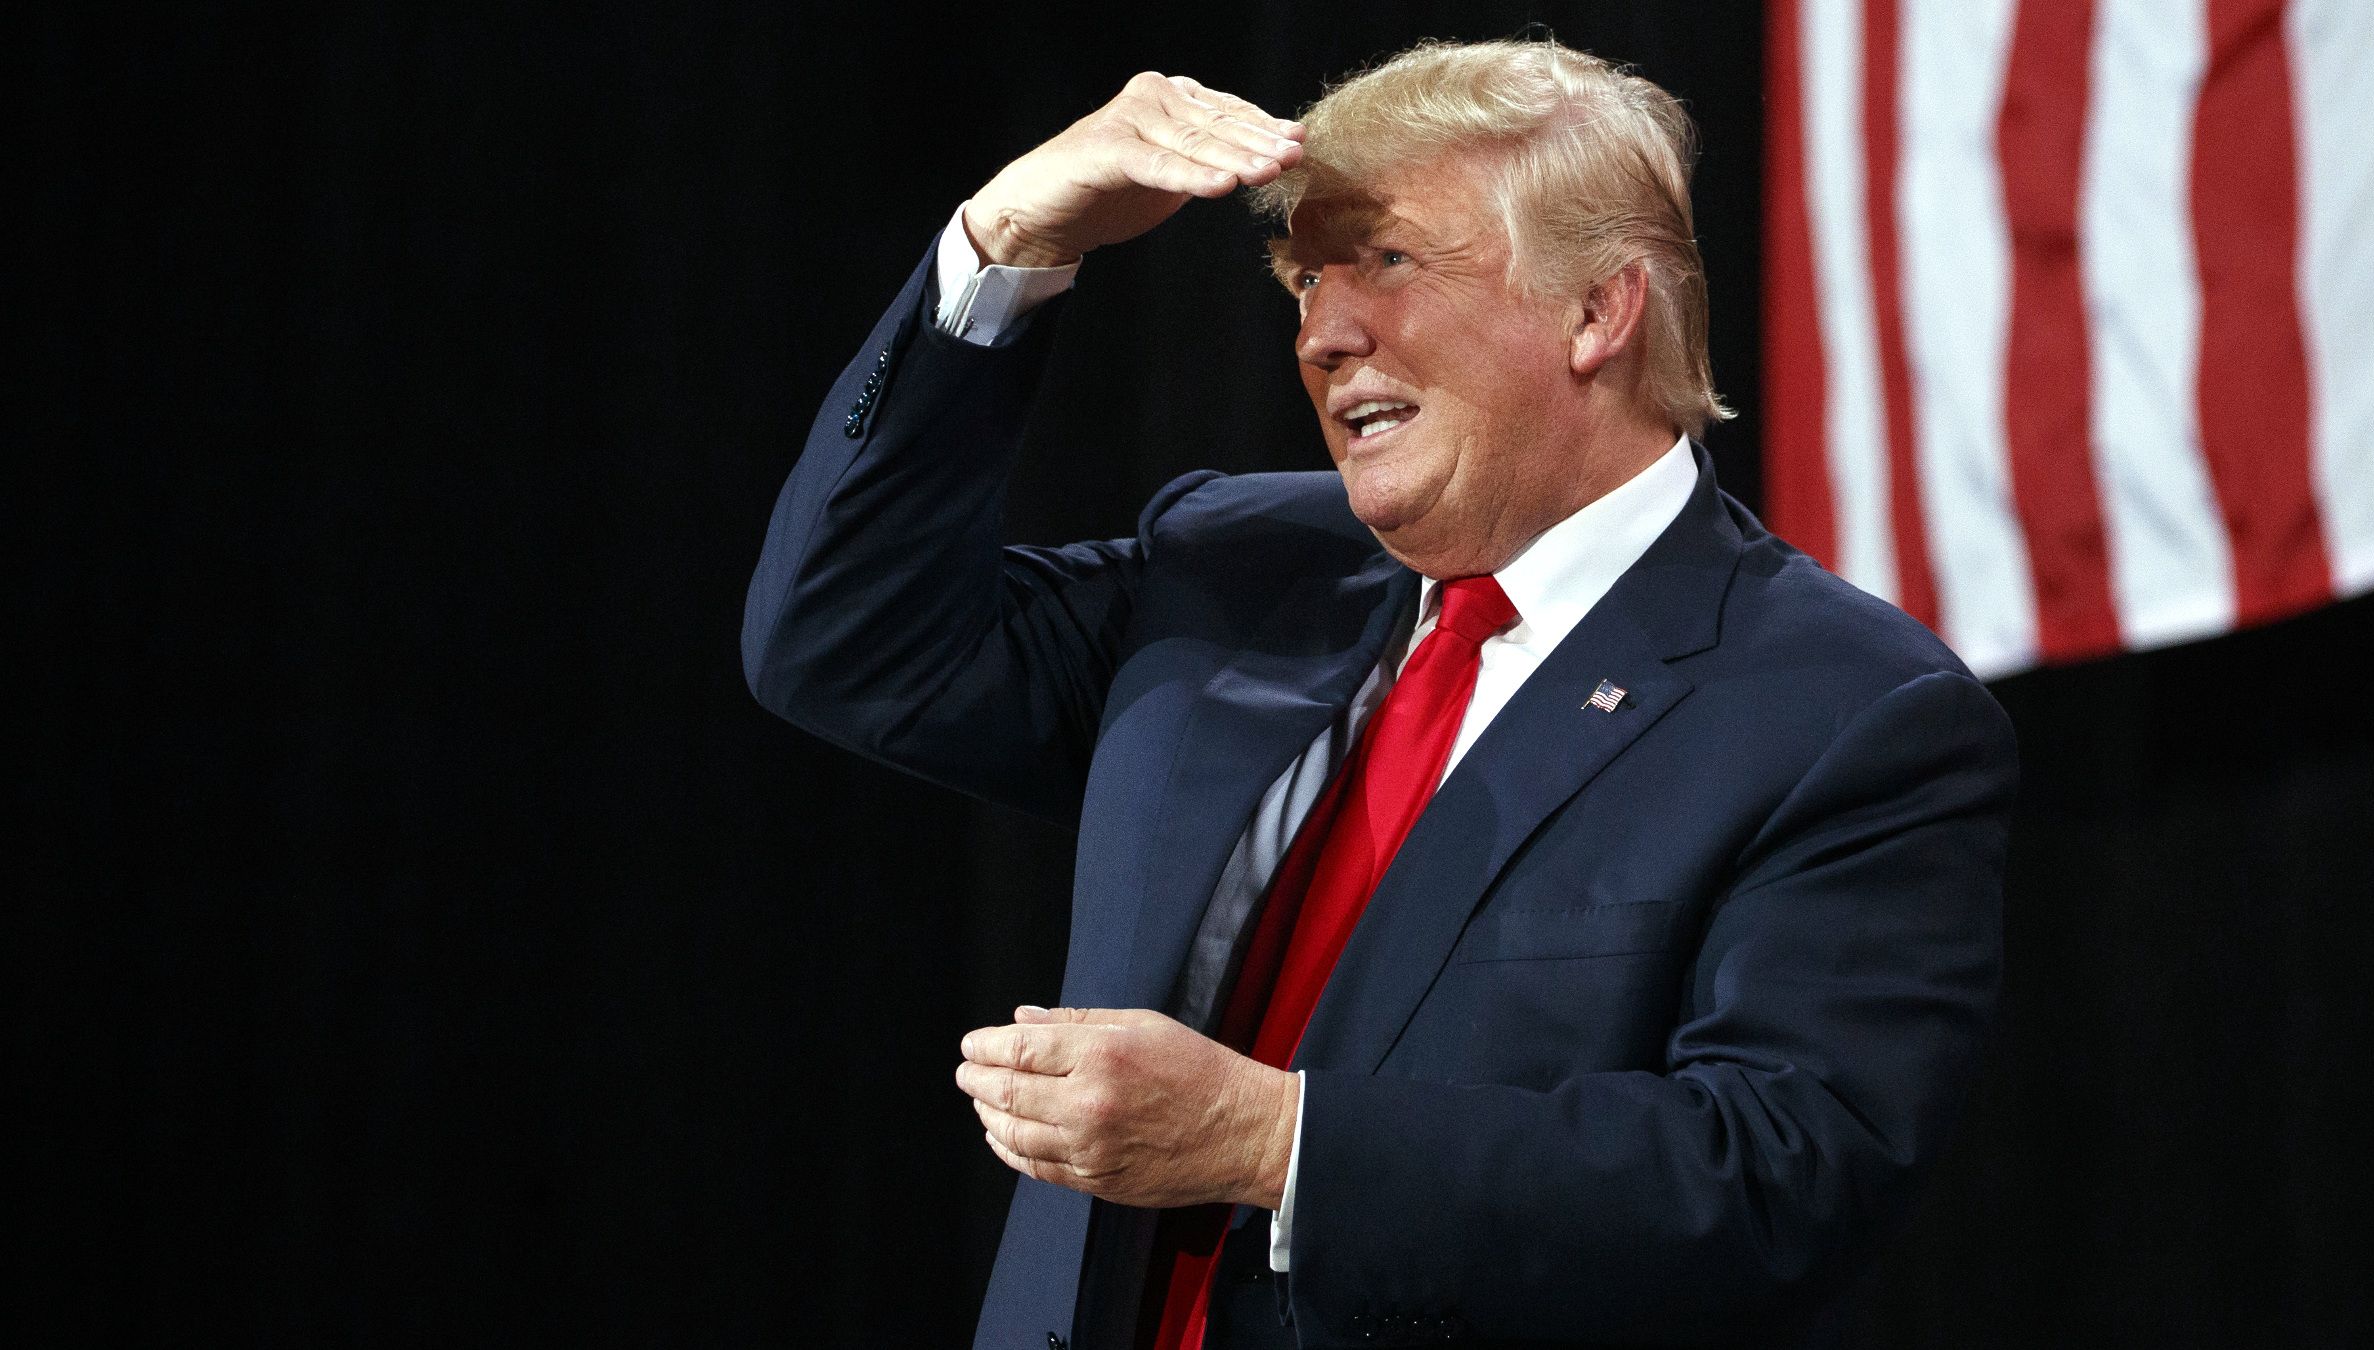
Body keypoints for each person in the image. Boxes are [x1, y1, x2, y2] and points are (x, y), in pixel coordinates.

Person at [743, 38, 2014, 1350]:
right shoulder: (1238, 569)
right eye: (1305, 276)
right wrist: (1000, 244)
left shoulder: (1844, 711)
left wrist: (1272, 1139)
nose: (1322, 332)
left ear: (1598, 310)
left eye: (1389, 263)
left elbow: (1769, 1175)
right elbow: (845, 642)